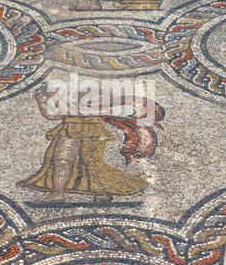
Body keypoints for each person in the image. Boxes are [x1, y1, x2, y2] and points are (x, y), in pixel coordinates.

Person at [18, 86, 162, 201]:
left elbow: (90, 110)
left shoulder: (97, 107)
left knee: (90, 163)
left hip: (92, 132)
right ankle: (58, 192)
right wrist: (41, 100)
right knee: (61, 161)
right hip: (69, 130)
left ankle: (100, 191)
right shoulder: (70, 106)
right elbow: (52, 115)